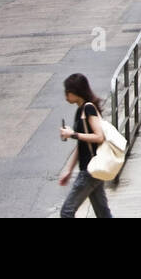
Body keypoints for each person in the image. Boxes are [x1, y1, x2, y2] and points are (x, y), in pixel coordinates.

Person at [57, 73, 113, 219]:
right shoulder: (80, 111)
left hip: (90, 170)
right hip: (93, 169)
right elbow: (81, 145)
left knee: (66, 212)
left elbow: (99, 136)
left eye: (67, 92)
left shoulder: (88, 108)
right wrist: (68, 170)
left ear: (76, 92)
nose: (66, 96)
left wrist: (73, 134)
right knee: (103, 214)